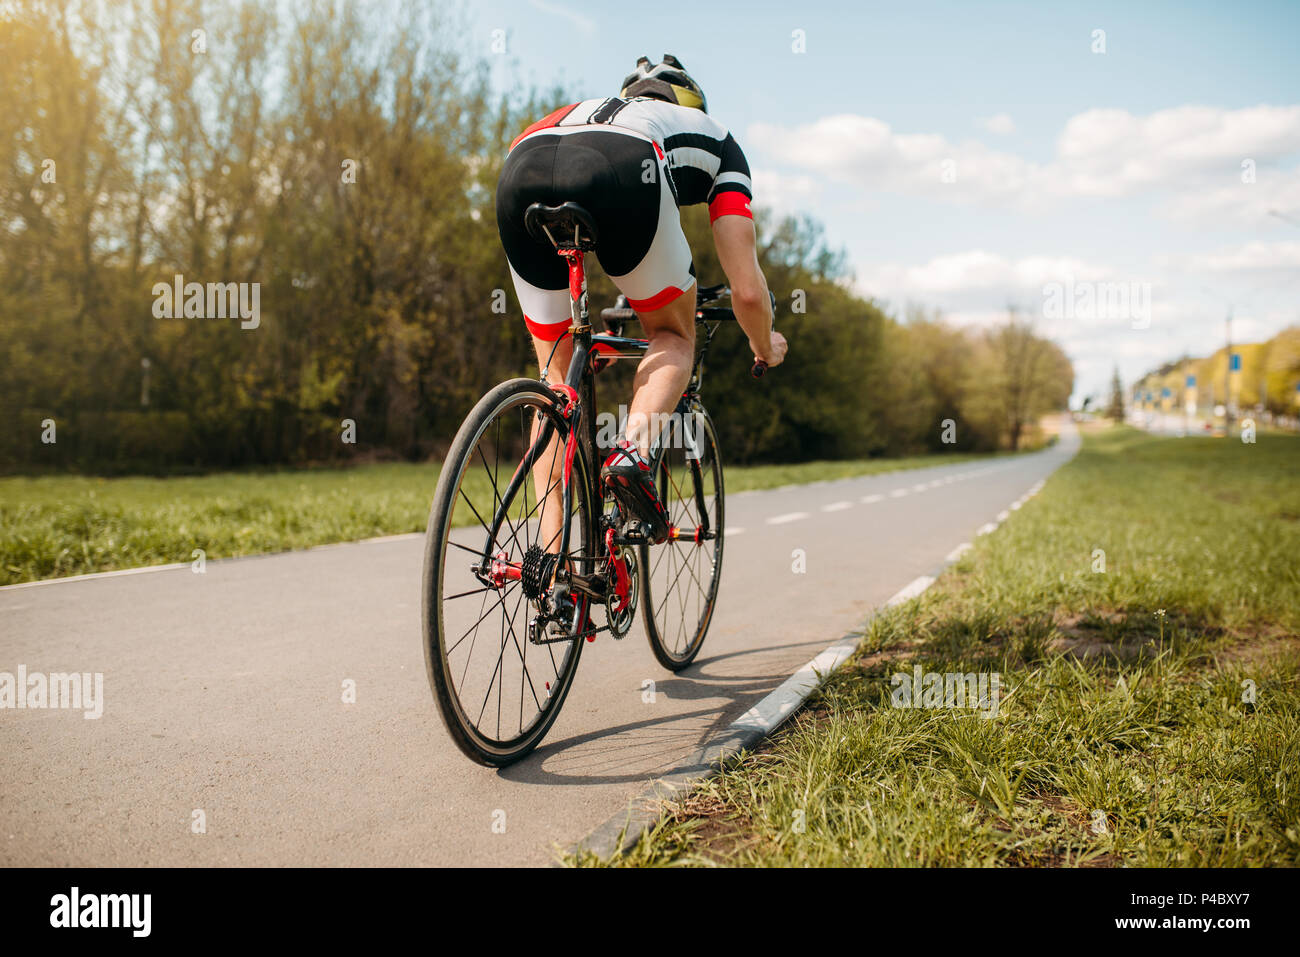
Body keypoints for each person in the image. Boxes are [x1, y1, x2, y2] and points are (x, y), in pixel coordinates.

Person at [496, 54, 788, 546]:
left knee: (555, 380)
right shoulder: (716, 136)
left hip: (521, 164)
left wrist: (595, 338)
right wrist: (765, 344)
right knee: (673, 334)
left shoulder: (588, 107)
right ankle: (631, 455)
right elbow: (748, 291)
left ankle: (552, 576)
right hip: (627, 165)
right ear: (691, 101)